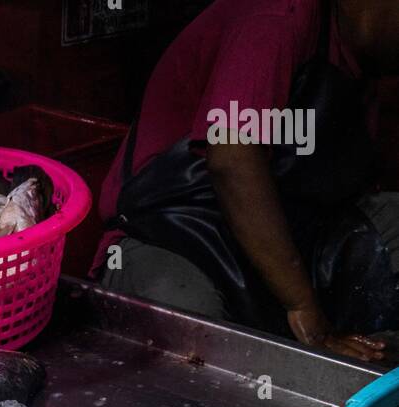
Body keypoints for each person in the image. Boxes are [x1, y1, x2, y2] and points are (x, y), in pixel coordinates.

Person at [95, 0, 399, 361]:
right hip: (170, 235)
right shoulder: (278, 18)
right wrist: (303, 308)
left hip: (292, 234)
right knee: (198, 343)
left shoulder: (368, 67)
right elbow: (232, 158)